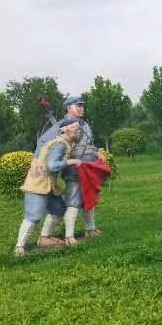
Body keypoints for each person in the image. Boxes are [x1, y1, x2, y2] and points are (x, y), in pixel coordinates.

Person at [36, 96, 103, 240]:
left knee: (87, 198)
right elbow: (46, 144)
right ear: (69, 108)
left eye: (82, 106)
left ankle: (90, 229)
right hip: (74, 169)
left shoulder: (85, 124)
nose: (81, 108)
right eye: (78, 106)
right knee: (73, 200)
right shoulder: (62, 125)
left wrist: (97, 153)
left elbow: (89, 143)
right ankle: (66, 236)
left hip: (88, 168)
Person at [14, 119, 82, 255]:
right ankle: (19, 247)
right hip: (38, 185)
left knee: (59, 209)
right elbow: (51, 166)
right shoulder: (60, 145)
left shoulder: (64, 143)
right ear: (66, 131)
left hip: (49, 185)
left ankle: (45, 238)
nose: (78, 132)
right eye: (76, 130)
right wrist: (71, 161)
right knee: (33, 216)